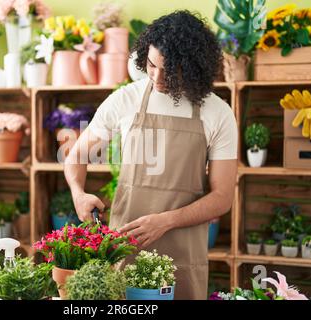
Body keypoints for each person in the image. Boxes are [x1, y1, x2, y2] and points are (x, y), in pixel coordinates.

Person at [64, 10, 238, 300]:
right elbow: (77, 155)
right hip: (125, 245)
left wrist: (166, 220)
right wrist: (78, 193)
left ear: (192, 67)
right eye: (151, 65)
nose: (156, 77)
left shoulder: (217, 112)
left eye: (169, 70)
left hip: (184, 253)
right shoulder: (126, 99)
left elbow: (222, 198)